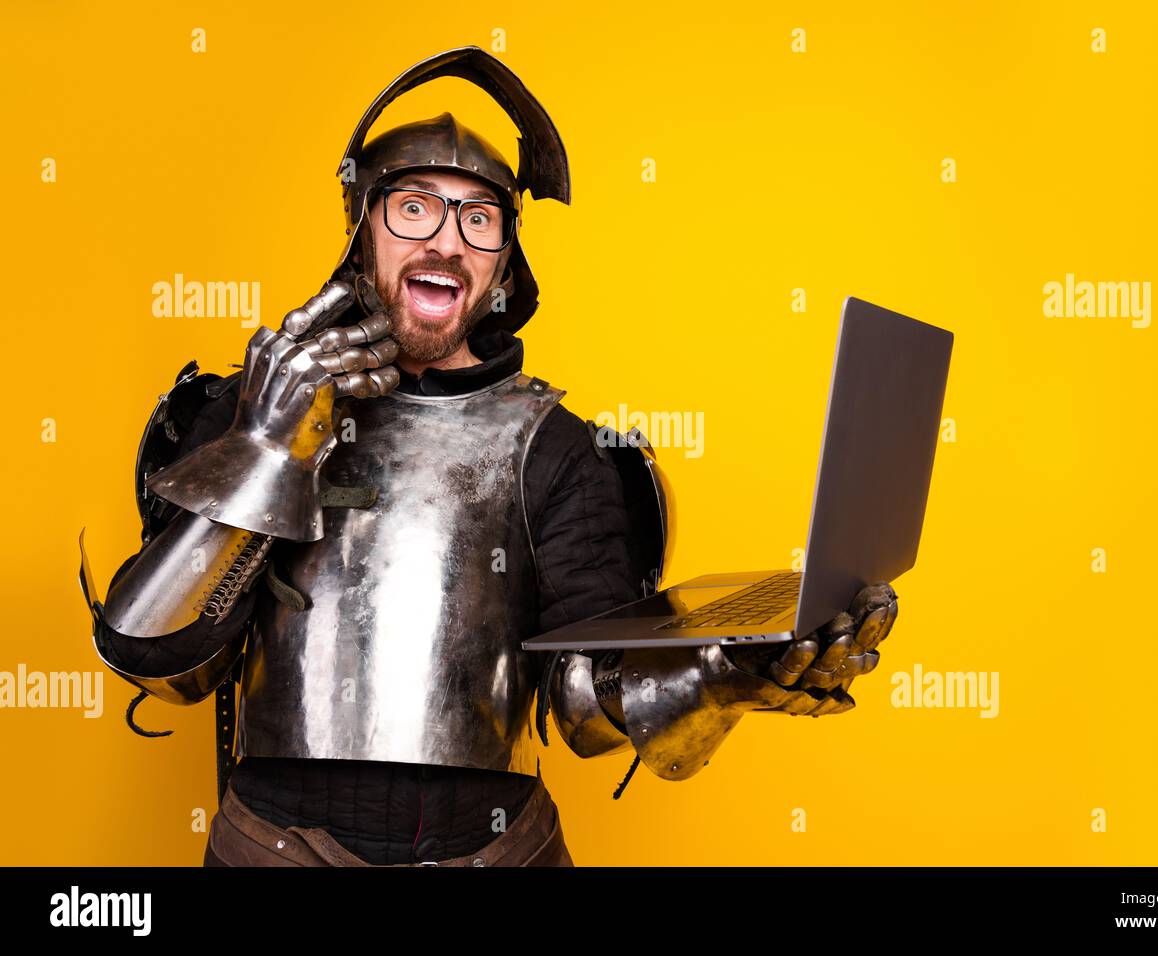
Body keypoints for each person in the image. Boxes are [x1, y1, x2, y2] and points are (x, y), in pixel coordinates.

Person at [79, 46, 899, 868]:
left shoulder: (561, 449)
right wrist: (267, 446)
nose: (445, 241)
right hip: (274, 848)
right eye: (414, 208)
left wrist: (720, 677)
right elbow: (154, 662)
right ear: (361, 227)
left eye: (479, 217)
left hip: (499, 853)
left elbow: (581, 704)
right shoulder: (250, 407)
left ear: (503, 256)